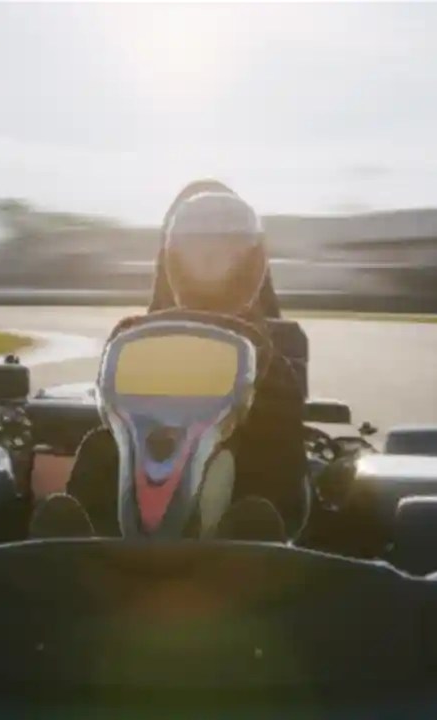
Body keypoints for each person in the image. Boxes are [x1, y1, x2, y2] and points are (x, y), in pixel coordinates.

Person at [30, 181, 308, 541]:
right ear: (172, 258)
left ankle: (257, 543)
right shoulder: (133, 338)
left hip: (239, 506)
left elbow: (286, 445)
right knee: (100, 446)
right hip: (145, 457)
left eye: (225, 252)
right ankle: (81, 544)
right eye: (198, 251)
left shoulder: (273, 357)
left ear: (252, 260)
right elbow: (110, 412)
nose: (210, 262)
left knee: (266, 452)